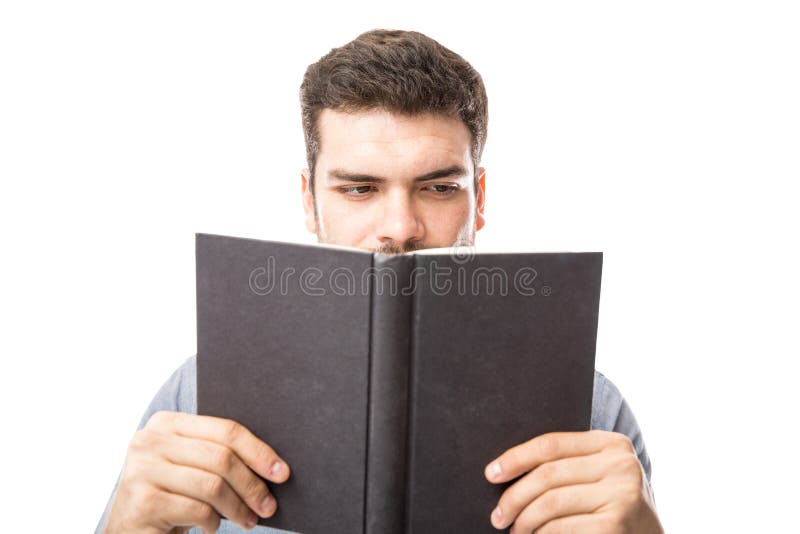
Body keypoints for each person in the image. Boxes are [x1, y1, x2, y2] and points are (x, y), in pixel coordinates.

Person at [96, 29, 664, 534]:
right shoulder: (196, 399)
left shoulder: (592, 415)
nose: (399, 229)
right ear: (310, 203)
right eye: (358, 189)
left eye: (439, 188)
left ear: (479, 200)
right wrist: (125, 525)